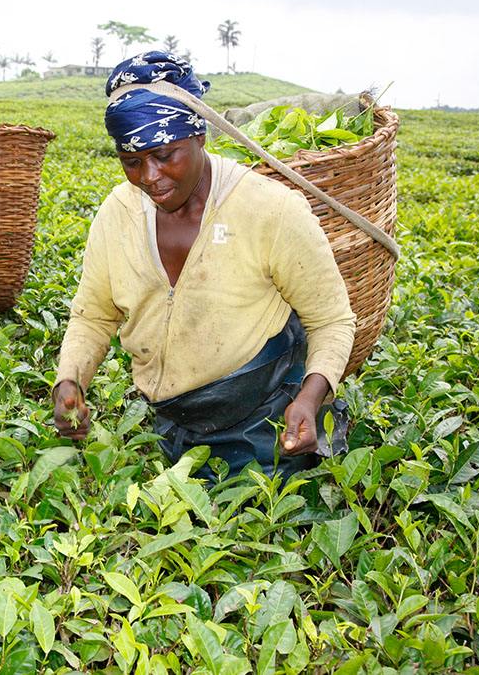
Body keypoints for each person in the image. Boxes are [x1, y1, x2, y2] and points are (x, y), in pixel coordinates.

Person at [52, 52, 356, 482]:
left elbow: (332, 320)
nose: (150, 177)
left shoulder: (270, 209)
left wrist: (309, 398)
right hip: (172, 423)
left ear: (199, 136)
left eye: (164, 154)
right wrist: (70, 381)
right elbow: (94, 315)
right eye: (132, 162)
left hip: (265, 420)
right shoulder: (117, 214)